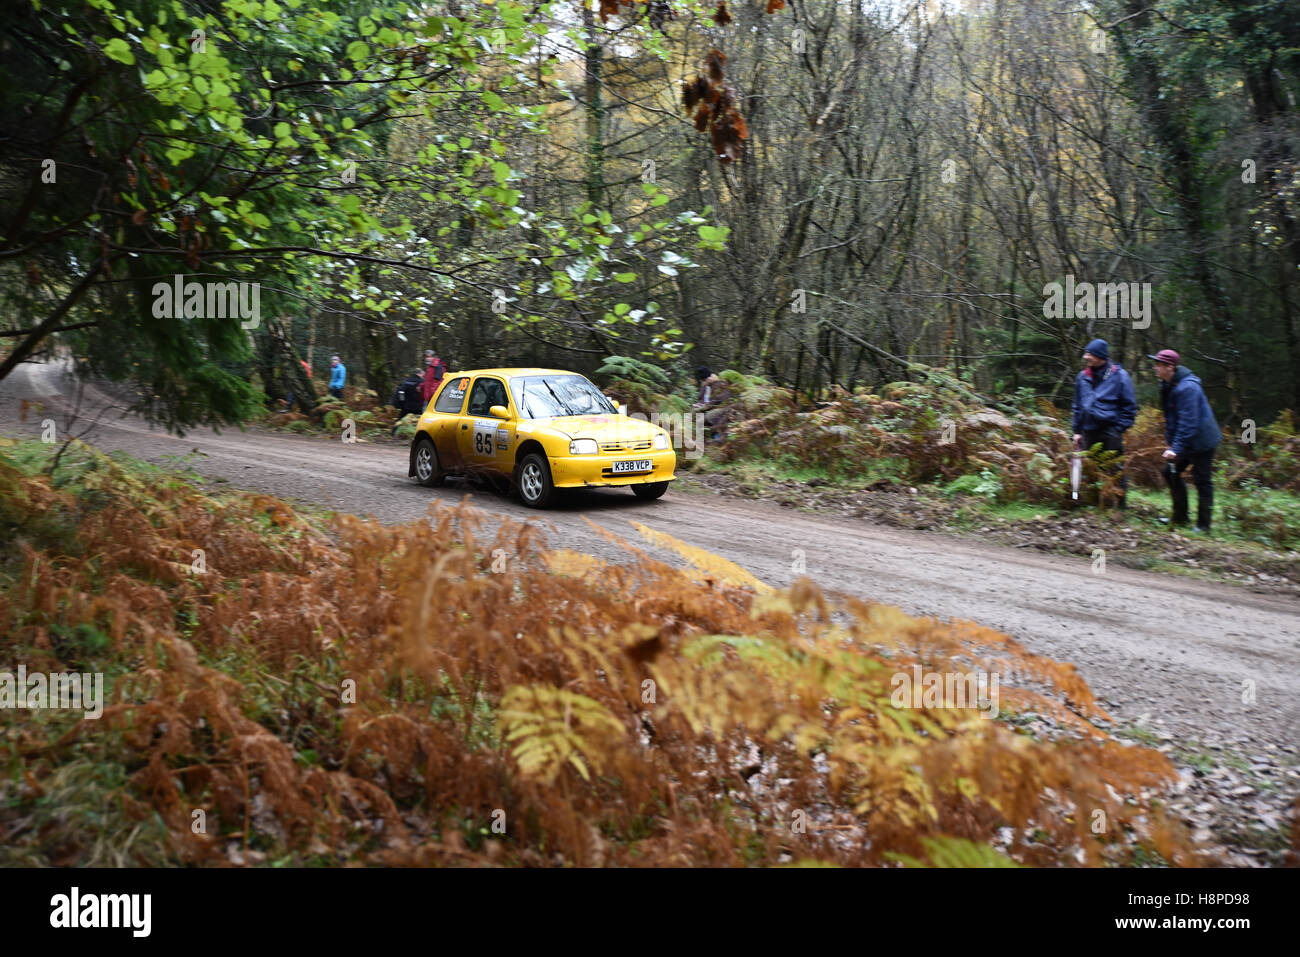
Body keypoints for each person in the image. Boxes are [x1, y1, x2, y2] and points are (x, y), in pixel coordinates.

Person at [1150, 348, 1220, 533]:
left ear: (1170, 367)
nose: (1155, 368)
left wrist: (1176, 448)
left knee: (1202, 480)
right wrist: (1173, 443)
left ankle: (1203, 526)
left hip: (1202, 441)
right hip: (1187, 440)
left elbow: (1188, 422)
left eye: (1158, 365)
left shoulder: (1187, 388)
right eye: (1155, 364)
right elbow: (1172, 417)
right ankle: (1180, 518)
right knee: (1170, 472)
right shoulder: (1167, 385)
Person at [1071, 338, 1137, 509]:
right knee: (1091, 468)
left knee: (1115, 469)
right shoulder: (1082, 377)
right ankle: (1097, 503)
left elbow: (1130, 407)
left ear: (1100, 356)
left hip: (1110, 431)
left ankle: (1119, 506)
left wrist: (1118, 428)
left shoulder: (1120, 376)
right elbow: (1077, 405)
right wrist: (1077, 431)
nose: (1086, 357)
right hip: (1088, 430)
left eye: (1089, 354)